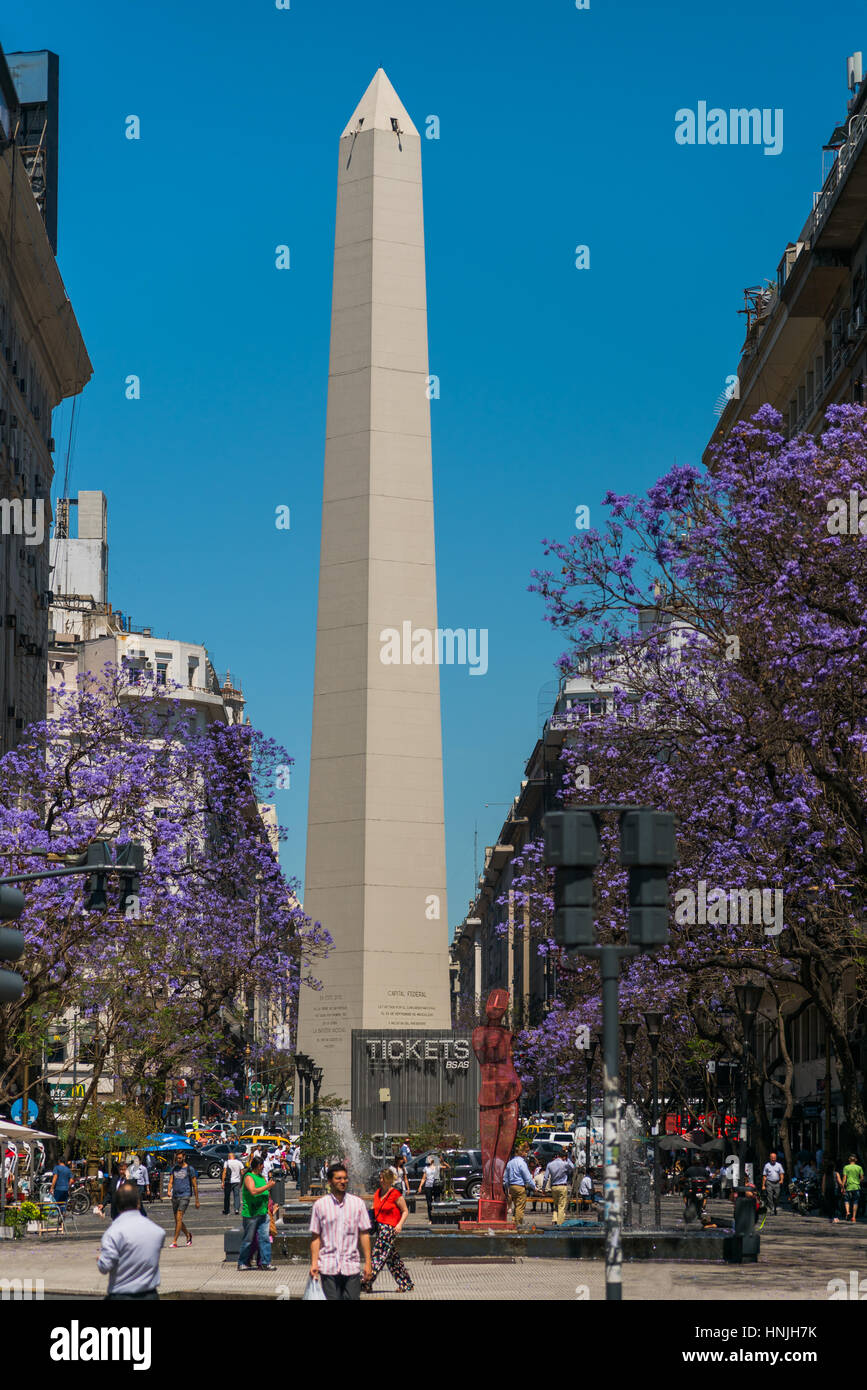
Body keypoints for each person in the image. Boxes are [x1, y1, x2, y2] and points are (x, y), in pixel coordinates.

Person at [309, 1163, 372, 1301]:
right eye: (338, 1178)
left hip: (351, 1265)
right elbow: (315, 1237)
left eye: (345, 1178)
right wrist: (314, 1263)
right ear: (330, 1181)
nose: (343, 1182)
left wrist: (368, 1262)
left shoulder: (357, 1204)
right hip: (328, 1265)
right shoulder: (320, 1205)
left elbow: (364, 1234)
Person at [96, 1181, 165, 1300]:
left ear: (117, 1205)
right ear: (138, 1204)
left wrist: (100, 1260)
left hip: (121, 1294)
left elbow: (105, 1267)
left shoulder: (113, 1234)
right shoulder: (157, 1232)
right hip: (150, 1295)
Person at [361, 1169, 413, 1293]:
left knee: (378, 1255)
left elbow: (405, 1211)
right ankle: (406, 1284)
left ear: (389, 1179)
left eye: (382, 1178)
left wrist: (399, 1225)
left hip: (389, 1229)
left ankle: (366, 1282)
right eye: (380, 1178)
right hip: (380, 1228)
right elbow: (374, 1209)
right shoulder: (378, 1193)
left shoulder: (395, 1194)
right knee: (391, 1258)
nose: (380, 1180)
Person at [238, 1154, 275, 1271]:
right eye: (262, 1165)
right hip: (251, 1214)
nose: (264, 1167)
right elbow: (253, 1191)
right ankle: (242, 1262)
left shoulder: (261, 1178)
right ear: (258, 1166)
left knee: (264, 1238)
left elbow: (264, 1192)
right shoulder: (249, 1177)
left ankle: (265, 1262)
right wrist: (268, 1186)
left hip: (263, 1213)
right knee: (248, 1240)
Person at [166, 1153, 199, 1248]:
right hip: (175, 1196)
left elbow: (194, 1185)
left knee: (179, 1217)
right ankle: (188, 1235)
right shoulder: (174, 1168)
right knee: (177, 1220)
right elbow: (170, 1182)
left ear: (184, 1157)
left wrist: (197, 1200)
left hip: (185, 1195)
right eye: (177, 1158)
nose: (178, 1159)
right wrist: (168, 1190)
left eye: (180, 1158)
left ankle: (175, 1241)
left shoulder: (190, 1169)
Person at [503, 1145, 536, 1229]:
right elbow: (527, 1177)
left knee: (516, 1206)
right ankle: (518, 1225)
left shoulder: (510, 1163)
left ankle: (514, 1221)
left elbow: (505, 1177)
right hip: (520, 1186)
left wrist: (507, 1187)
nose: (526, 1153)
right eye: (525, 1152)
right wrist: (534, 1187)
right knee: (520, 1207)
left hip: (511, 1186)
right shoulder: (522, 1163)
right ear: (521, 1153)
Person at [544, 1151, 575, 1226]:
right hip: (562, 1186)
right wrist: (568, 1160)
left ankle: (554, 1219)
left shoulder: (550, 1164)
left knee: (556, 1204)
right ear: (564, 1157)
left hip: (554, 1186)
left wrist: (543, 1187)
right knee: (561, 1206)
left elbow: (545, 1178)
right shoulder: (565, 1164)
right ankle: (560, 1223)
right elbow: (573, 1167)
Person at [841, 1154, 864, 1223]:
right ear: (856, 1160)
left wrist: (842, 1187)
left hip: (848, 1187)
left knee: (846, 1200)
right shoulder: (859, 1168)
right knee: (855, 1201)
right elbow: (862, 1178)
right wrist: (858, 1181)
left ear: (849, 1160)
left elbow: (844, 1178)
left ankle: (848, 1212)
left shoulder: (846, 1167)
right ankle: (854, 1217)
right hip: (856, 1186)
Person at [418, 1155, 439, 1222]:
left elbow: (448, 1167)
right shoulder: (426, 1168)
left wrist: (442, 1161)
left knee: (436, 1201)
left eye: (429, 1158)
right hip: (428, 1186)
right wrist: (420, 1186)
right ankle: (430, 1219)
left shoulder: (437, 1167)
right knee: (429, 1203)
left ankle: (436, 1218)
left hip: (436, 1186)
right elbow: (423, 1178)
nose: (428, 1160)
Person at [222, 1151, 244, 1216]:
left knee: (227, 1196)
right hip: (237, 1181)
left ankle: (227, 1210)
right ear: (234, 1156)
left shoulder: (227, 1162)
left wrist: (222, 1182)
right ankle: (236, 1209)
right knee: (237, 1195)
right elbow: (242, 1173)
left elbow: (224, 1172)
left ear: (229, 1157)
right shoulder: (239, 1162)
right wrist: (242, 1181)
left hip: (229, 1181)